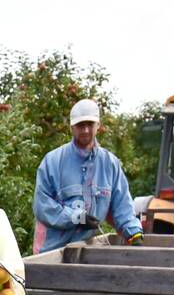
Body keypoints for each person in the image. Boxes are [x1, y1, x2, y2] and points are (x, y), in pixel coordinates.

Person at [32, 99, 144, 253]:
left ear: (98, 126)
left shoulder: (110, 164)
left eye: (90, 124)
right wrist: (77, 218)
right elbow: (42, 206)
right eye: (80, 125)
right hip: (52, 252)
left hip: (88, 251)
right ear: (72, 127)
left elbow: (122, 205)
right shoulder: (52, 161)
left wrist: (134, 233)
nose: (85, 130)